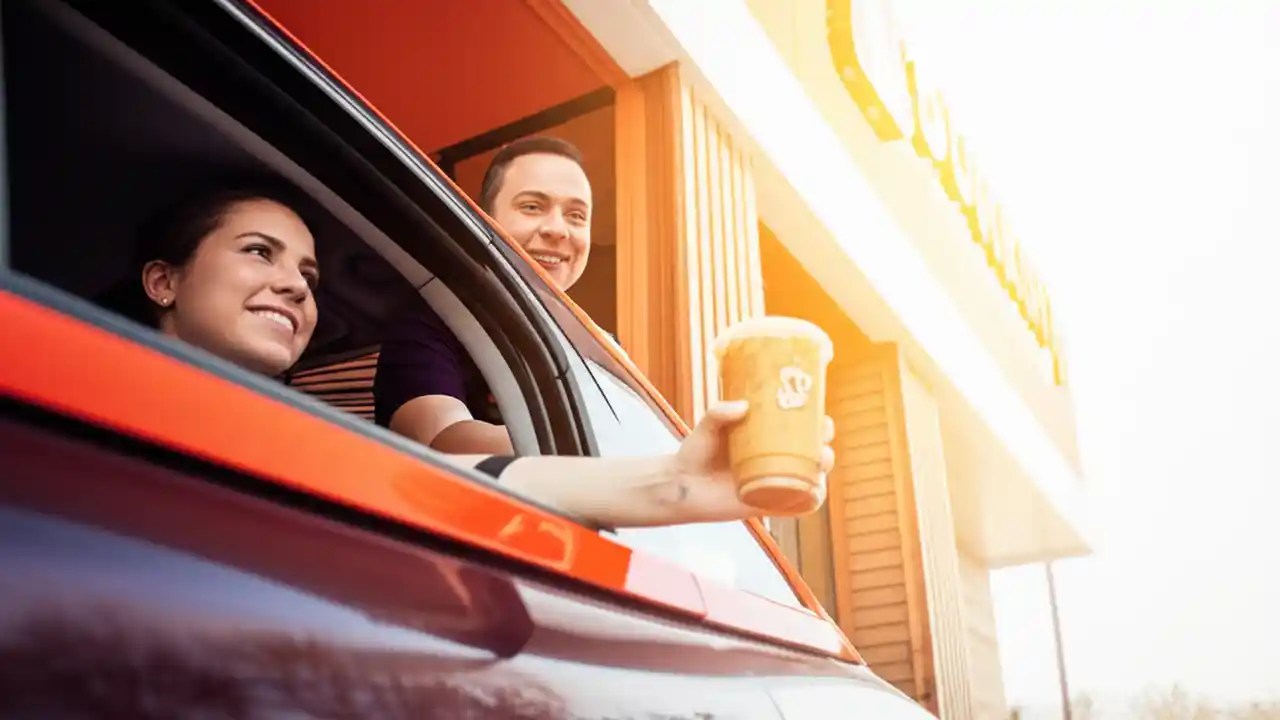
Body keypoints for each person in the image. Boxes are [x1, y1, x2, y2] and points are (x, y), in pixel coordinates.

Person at [109, 179, 836, 528]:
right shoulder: (85, 386)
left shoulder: (290, 435)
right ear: (163, 280)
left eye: (307, 276)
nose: (294, 287)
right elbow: (441, 452)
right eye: (260, 254)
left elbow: (430, 480)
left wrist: (681, 483)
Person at [374, 136, 593, 454]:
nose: (558, 229)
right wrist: (602, 451)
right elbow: (444, 441)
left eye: (576, 216)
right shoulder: (434, 324)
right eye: (532, 207)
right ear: (485, 223)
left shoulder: (597, 351)